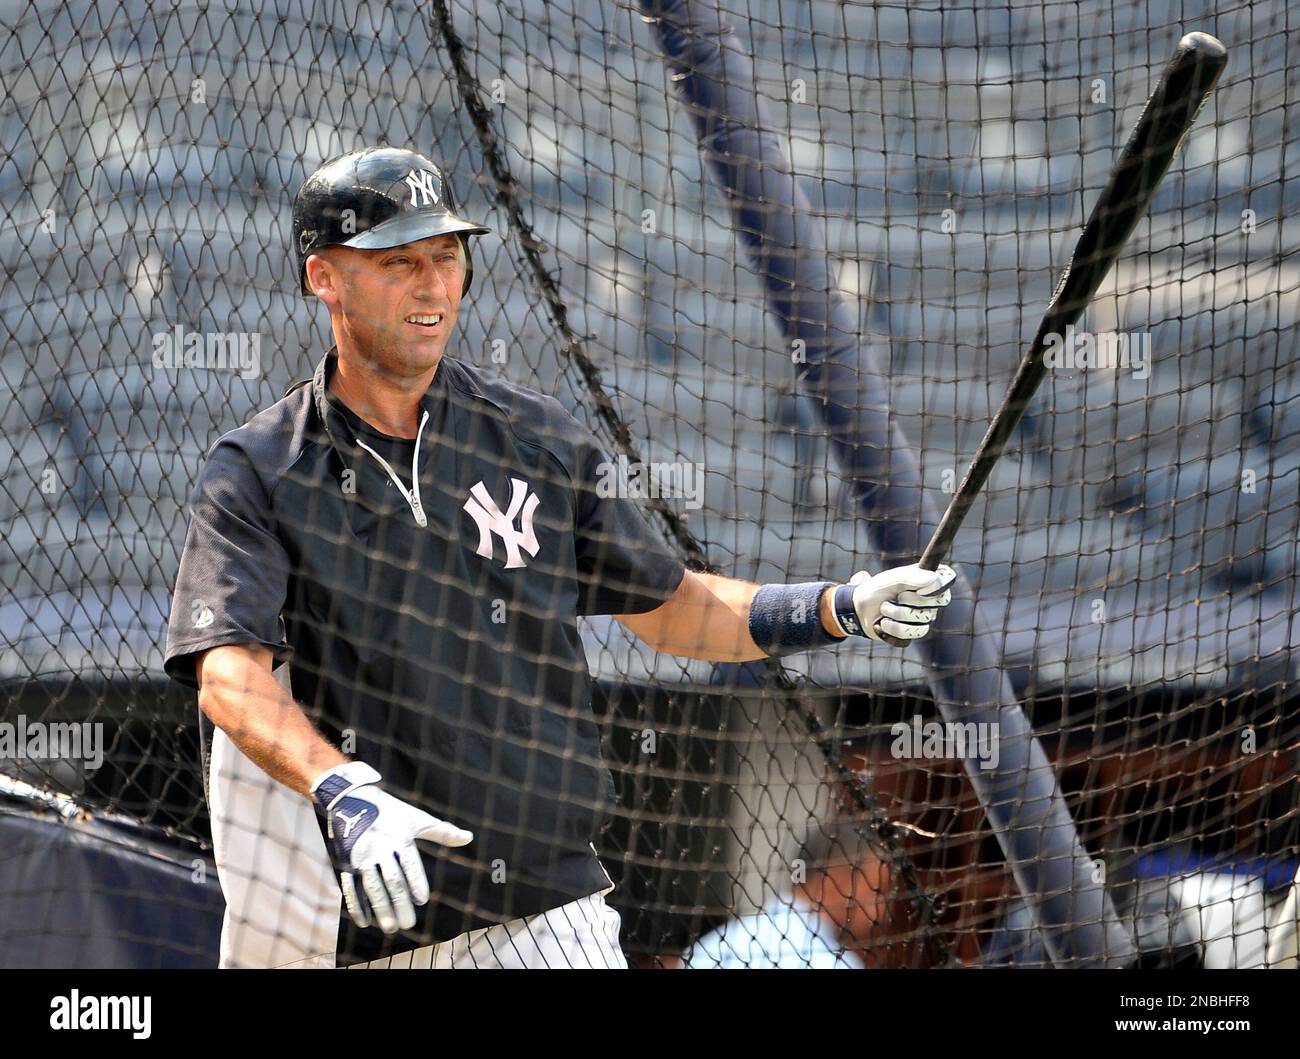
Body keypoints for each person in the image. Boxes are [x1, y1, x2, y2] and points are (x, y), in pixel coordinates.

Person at [163, 145, 957, 969]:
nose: (433, 286)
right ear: (324, 278)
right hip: (355, 925)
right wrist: (343, 787)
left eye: (447, 256)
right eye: (399, 263)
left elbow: (671, 606)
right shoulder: (261, 464)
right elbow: (228, 673)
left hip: (546, 916)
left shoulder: (534, 438)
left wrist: (835, 608)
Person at [680, 821, 893, 968]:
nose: (882, 912)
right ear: (835, 883)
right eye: (877, 891)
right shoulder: (834, 963)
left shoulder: (710, 947)